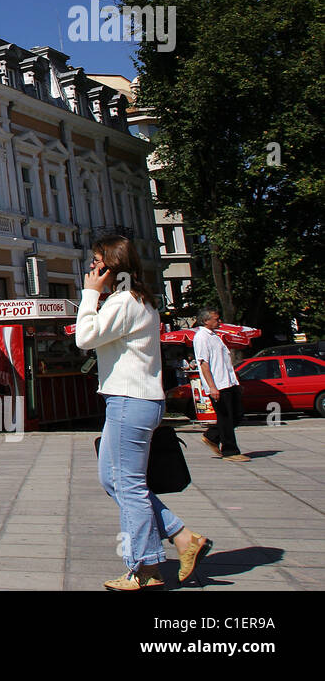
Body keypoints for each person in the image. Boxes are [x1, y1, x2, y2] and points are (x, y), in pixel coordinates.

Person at [75, 235, 209, 590]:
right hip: (133, 401)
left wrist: (89, 293)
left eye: (96, 262)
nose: (91, 268)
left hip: (129, 401)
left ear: (111, 266)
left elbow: (85, 337)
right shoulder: (137, 300)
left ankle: (145, 567)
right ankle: (182, 537)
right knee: (113, 480)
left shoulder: (123, 302)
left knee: (129, 486)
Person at [194, 308, 249, 462]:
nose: (219, 321)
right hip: (218, 384)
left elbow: (225, 362)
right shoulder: (201, 337)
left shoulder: (216, 336)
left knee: (237, 414)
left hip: (228, 382)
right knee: (225, 417)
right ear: (206, 321)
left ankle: (212, 436)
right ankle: (230, 451)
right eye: (216, 319)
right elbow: (204, 363)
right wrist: (212, 387)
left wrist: (235, 381)